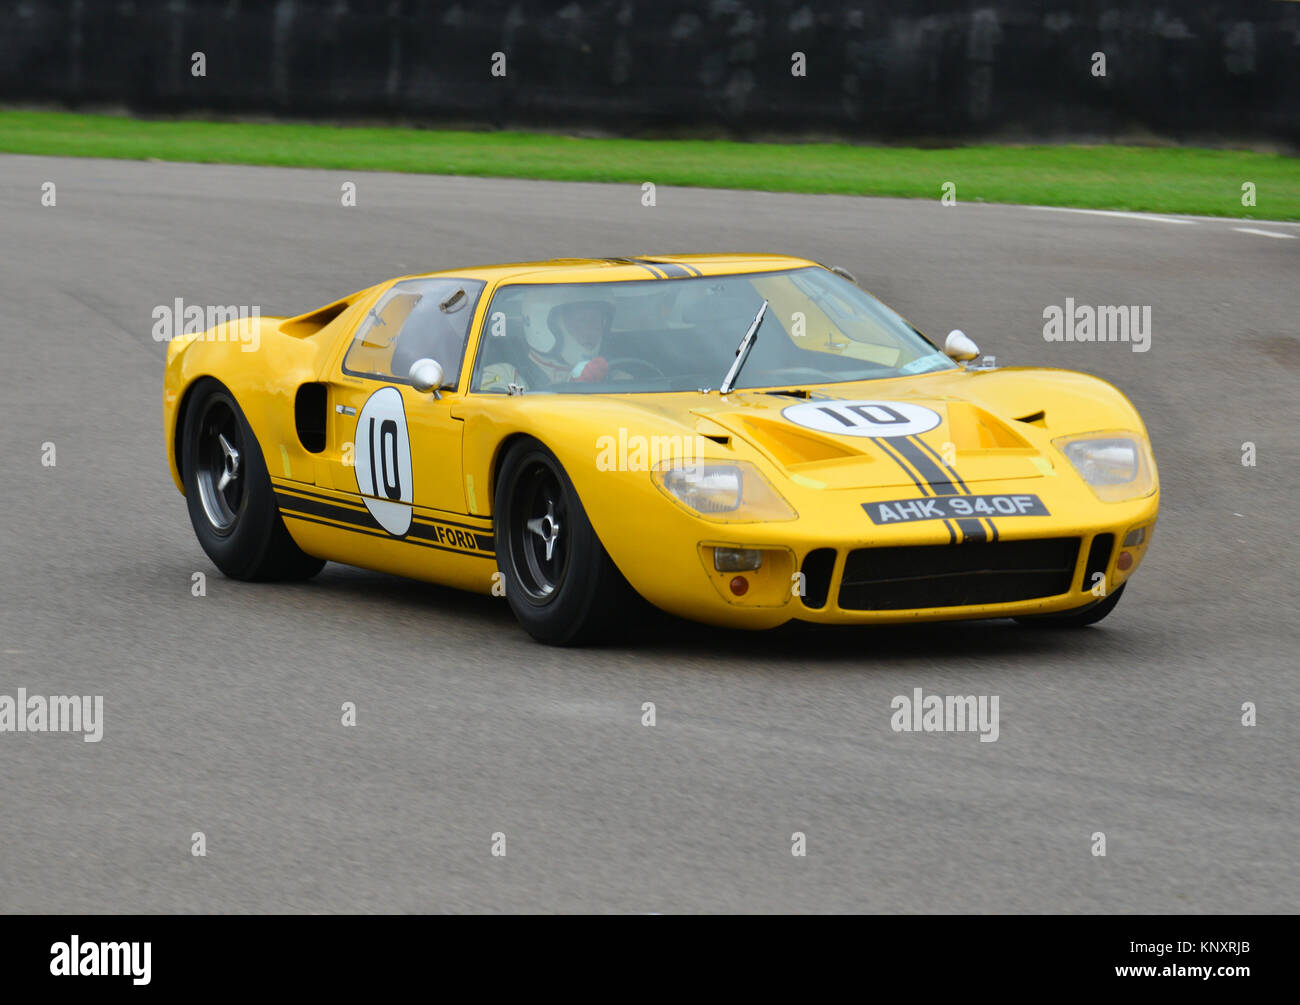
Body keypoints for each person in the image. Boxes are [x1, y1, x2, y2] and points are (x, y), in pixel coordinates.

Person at [480, 297, 614, 392]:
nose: (592, 330)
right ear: (542, 324)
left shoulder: (615, 376)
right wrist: (575, 389)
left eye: (598, 321)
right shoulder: (505, 376)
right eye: (583, 321)